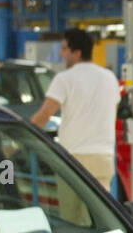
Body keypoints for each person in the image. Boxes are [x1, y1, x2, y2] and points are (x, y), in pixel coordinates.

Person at [30, 28, 120, 215]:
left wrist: (20, 137)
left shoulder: (65, 79)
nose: (61, 54)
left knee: (73, 220)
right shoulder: (110, 78)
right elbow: (112, 112)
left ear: (76, 53)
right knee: (102, 218)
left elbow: (44, 115)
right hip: (103, 158)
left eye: (64, 49)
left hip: (74, 159)